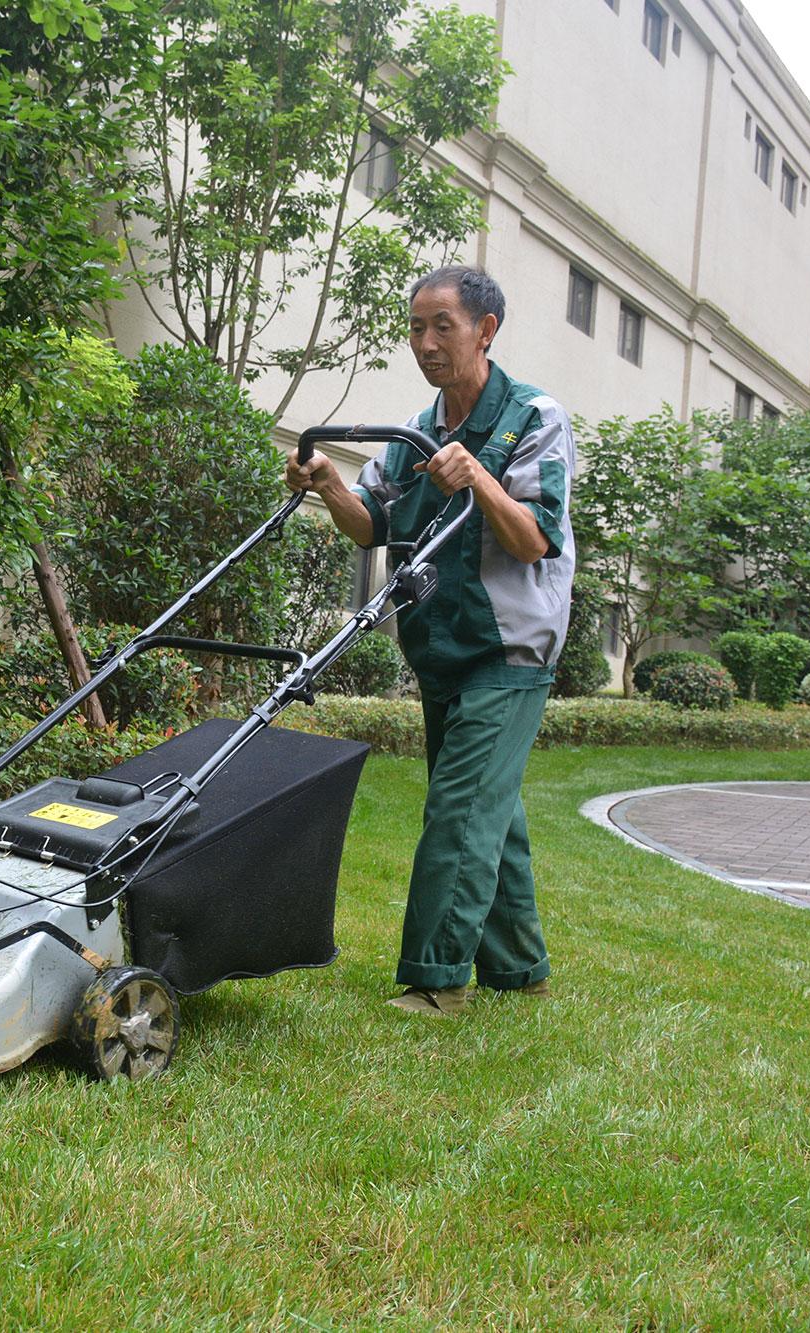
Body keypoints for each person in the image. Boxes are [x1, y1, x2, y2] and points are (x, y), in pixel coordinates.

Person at [286, 264, 576, 1017]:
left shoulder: (532, 416)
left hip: (508, 651)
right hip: (441, 648)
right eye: (416, 327)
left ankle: (437, 979)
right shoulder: (414, 433)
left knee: (460, 808)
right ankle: (520, 970)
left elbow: (533, 540)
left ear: (485, 330)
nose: (425, 342)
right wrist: (330, 486)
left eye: (442, 325)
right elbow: (372, 527)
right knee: (488, 809)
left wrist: (477, 476)